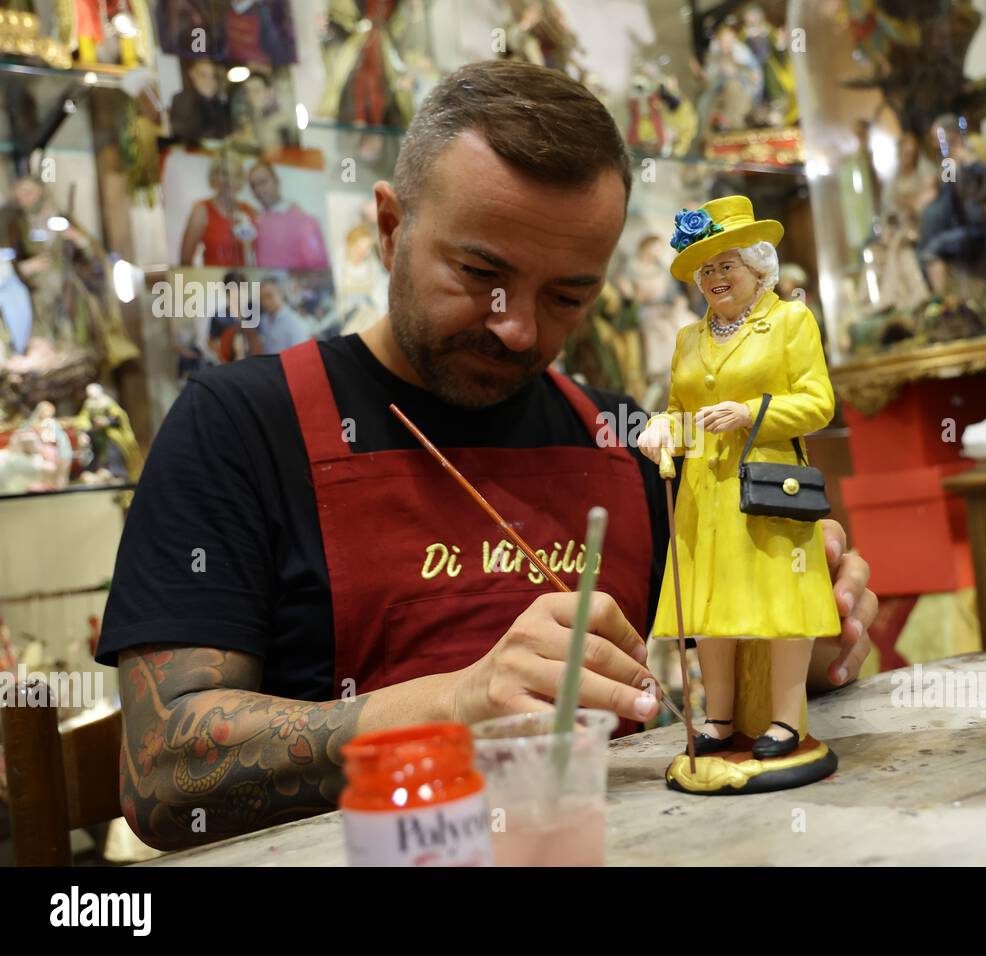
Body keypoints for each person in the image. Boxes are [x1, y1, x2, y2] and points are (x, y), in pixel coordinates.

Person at [97, 60, 877, 850]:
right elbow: (163, 773)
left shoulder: (624, 443)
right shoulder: (238, 428)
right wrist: (459, 706)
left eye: (567, 297)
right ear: (391, 228)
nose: (519, 330)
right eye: (480, 274)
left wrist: (807, 650)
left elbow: (739, 643)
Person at [637, 197, 839, 762]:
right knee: (712, 611)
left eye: (726, 265)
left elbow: (819, 403)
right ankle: (719, 717)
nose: (715, 278)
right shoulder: (687, 339)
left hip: (770, 487)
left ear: (757, 268)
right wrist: (659, 429)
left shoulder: (791, 320)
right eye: (706, 269)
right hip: (705, 496)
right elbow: (680, 412)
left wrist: (752, 412)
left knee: (782, 605)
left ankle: (785, 719)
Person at [178, 154, 259, 267]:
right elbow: (185, 260)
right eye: (224, 174)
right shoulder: (202, 210)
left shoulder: (250, 211)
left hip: (245, 281)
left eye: (234, 175)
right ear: (214, 176)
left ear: (241, 179)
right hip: (213, 282)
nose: (229, 180)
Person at [248, 162, 331, 270]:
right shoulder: (255, 222)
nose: (259, 190)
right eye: (254, 186)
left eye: (263, 182)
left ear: (276, 181)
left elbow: (319, 266)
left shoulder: (305, 222)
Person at [255, 278, 312, 353]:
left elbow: (301, 356)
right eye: (261, 298)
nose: (265, 302)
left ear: (280, 294)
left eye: (269, 296)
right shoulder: (264, 320)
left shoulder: (296, 323)